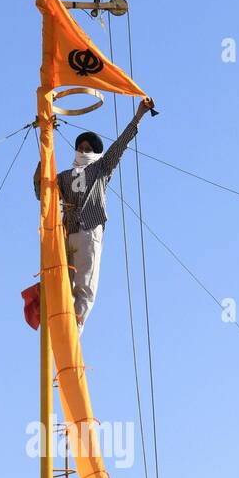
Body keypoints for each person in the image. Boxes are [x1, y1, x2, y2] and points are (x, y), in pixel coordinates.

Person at [33, 99, 156, 330]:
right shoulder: (64, 176)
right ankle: (60, 325)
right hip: (68, 234)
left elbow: (121, 145)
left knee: (85, 286)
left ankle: (75, 329)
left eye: (88, 149)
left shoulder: (101, 168)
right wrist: (41, 166)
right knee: (65, 284)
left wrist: (138, 115)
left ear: (96, 153)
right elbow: (44, 196)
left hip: (89, 231)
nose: (83, 152)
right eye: (80, 148)